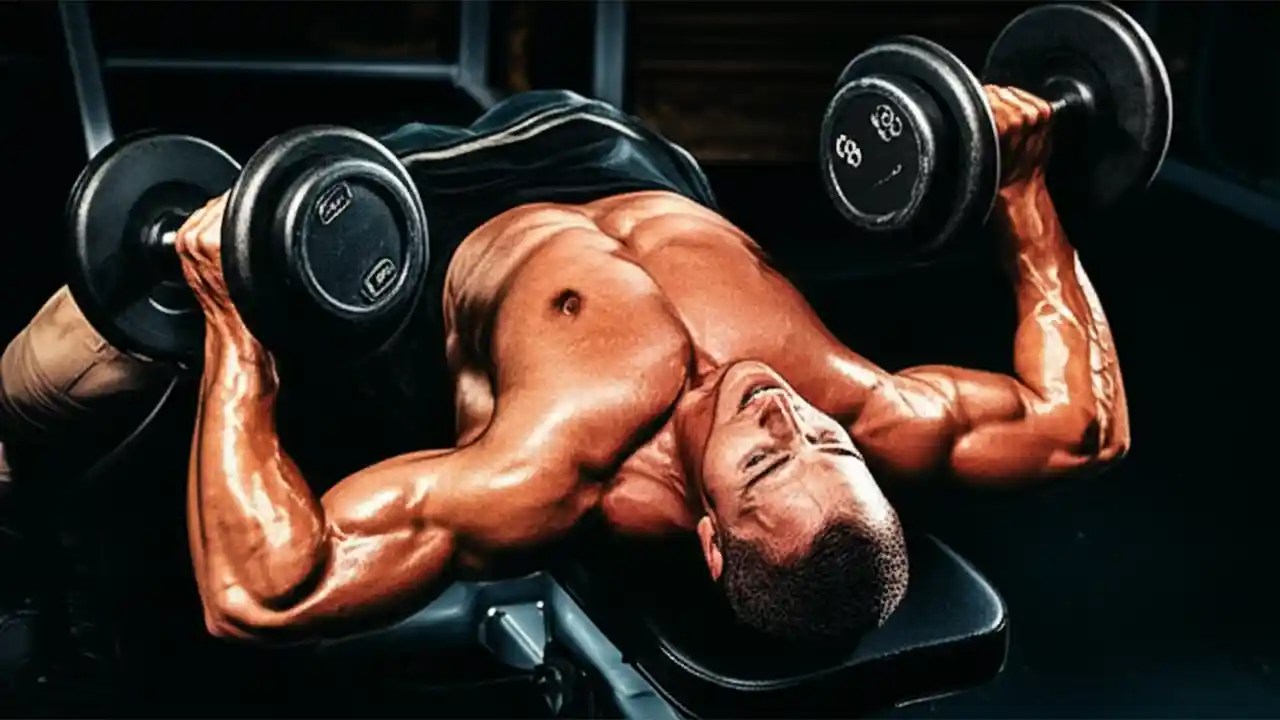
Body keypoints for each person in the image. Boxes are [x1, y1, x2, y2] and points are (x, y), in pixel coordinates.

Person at [0, 87, 1128, 645]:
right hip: (618, 149)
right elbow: (1080, 424)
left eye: (764, 461)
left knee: (64, 362)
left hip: (406, 223)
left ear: (707, 531)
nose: (785, 412)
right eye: (825, 444)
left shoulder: (551, 474)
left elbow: (263, 590)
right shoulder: (863, 410)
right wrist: (1022, 190)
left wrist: (233, 320)